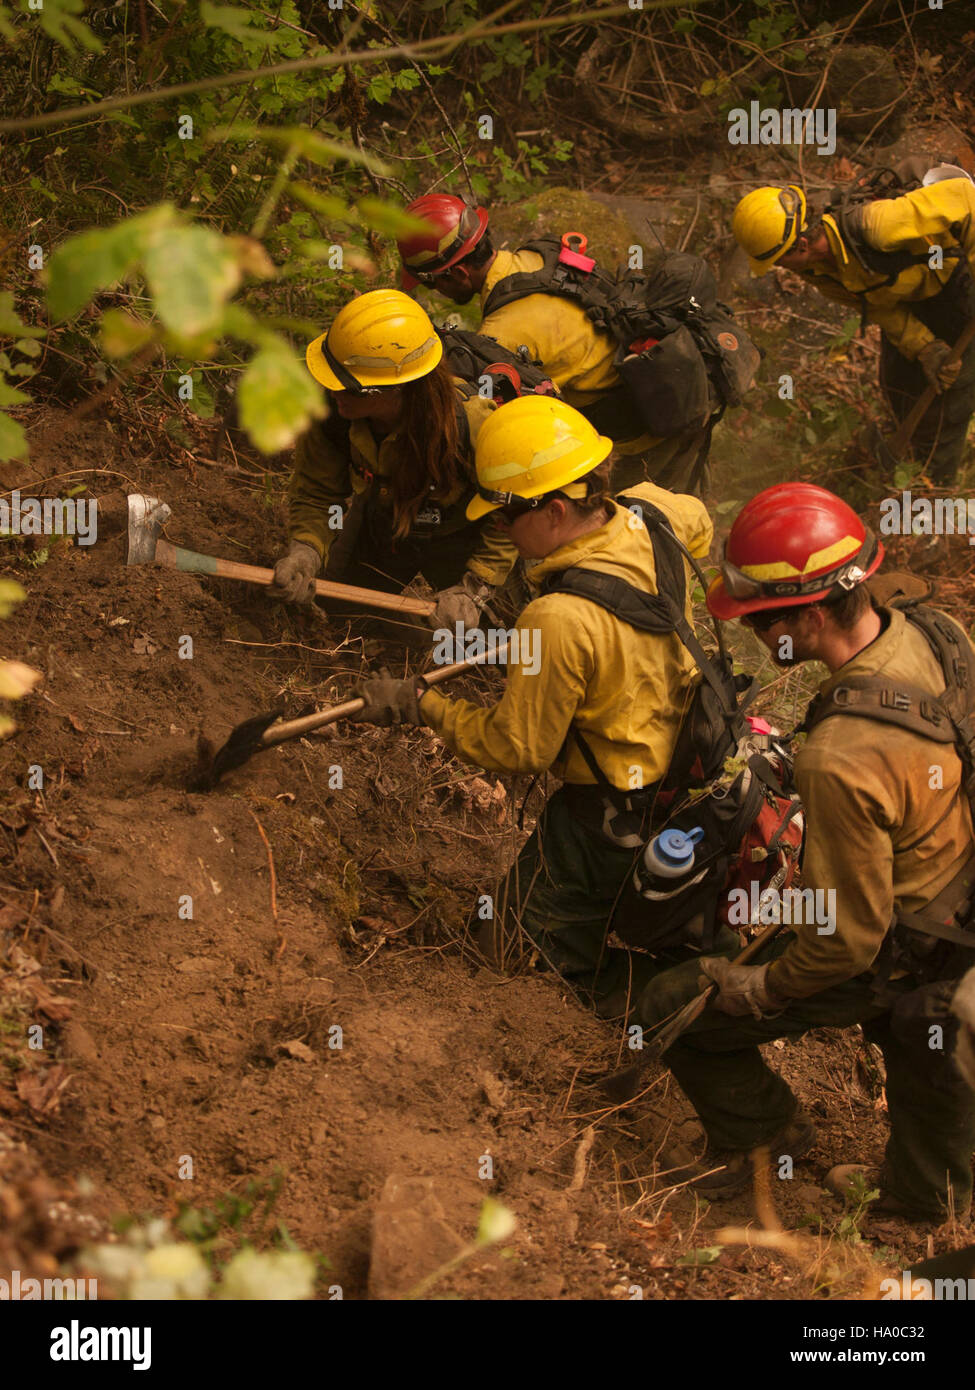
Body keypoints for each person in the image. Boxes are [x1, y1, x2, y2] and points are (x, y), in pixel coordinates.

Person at [639, 482, 975, 1218]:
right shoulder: (936, 631)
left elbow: (846, 941)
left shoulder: (839, 755)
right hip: (958, 883)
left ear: (813, 615)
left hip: (915, 939)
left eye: (762, 623)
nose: (760, 639)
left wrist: (764, 987)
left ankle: (768, 1142)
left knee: (680, 1009)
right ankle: (922, 1191)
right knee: (921, 1061)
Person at [352, 394, 722, 1019]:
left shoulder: (556, 620)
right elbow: (701, 520)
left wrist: (424, 705)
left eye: (503, 517)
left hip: (603, 814)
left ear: (554, 511)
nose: (496, 530)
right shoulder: (655, 513)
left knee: (511, 953)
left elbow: (516, 750)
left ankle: (662, 997)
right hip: (687, 775)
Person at [396, 193, 713, 494]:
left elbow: (507, 429)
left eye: (431, 282)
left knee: (634, 530)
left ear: (460, 273)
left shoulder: (502, 336)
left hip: (643, 434)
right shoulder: (540, 254)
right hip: (679, 386)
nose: (436, 291)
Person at [269, 288, 518, 632]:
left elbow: (512, 510)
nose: (334, 392)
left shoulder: (474, 424)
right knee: (339, 616)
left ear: (399, 388)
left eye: (351, 387)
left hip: (462, 536)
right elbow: (317, 494)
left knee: (496, 646)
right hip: (383, 522)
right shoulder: (333, 414)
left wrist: (476, 587)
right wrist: (306, 551)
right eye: (333, 379)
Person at [732, 176, 975, 483]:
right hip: (912, 298)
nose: (781, 268)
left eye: (780, 260)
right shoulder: (819, 271)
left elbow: (966, 198)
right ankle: (905, 455)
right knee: (897, 380)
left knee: (952, 392)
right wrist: (923, 346)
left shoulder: (877, 225)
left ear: (802, 245)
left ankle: (937, 486)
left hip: (957, 284)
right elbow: (877, 306)